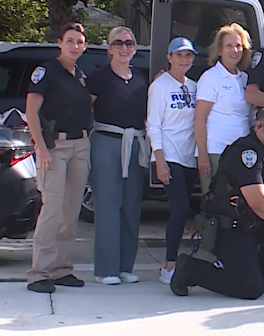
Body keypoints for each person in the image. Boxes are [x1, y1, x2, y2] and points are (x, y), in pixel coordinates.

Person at [169, 107, 264, 299]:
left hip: (253, 224)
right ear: (257, 126)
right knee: (250, 289)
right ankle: (190, 269)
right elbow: (258, 201)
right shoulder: (245, 153)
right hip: (229, 228)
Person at [24, 22, 93, 293]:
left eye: (79, 42)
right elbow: (31, 113)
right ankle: (38, 273)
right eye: (70, 40)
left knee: (71, 211)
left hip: (80, 145)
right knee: (51, 210)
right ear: (59, 42)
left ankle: (61, 268)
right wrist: (40, 148)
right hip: (55, 147)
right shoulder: (46, 72)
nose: (75, 46)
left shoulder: (79, 75)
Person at [85, 26, 149, 286]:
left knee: (131, 205)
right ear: (109, 48)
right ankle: (106, 268)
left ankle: (125, 266)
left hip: (135, 144)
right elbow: (82, 108)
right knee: (108, 204)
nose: (124, 47)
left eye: (129, 43)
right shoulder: (98, 78)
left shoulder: (141, 78)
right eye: (119, 43)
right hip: (107, 142)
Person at [147, 37, 199, 285]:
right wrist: (160, 160)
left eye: (188, 55)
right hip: (169, 155)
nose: (184, 60)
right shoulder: (160, 86)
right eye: (179, 55)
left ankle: (175, 261)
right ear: (169, 58)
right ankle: (170, 263)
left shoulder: (195, 86)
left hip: (190, 157)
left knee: (184, 208)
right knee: (180, 206)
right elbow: (153, 124)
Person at [195, 23, 253, 195]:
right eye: (229, 46)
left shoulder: (245, 79)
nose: (234, 50)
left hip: (241, 151)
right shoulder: (211, 77)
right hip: (216, 150)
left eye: (238, 46)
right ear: (219, 50)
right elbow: (200, 118)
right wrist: (203, 155)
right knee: (216, 202)